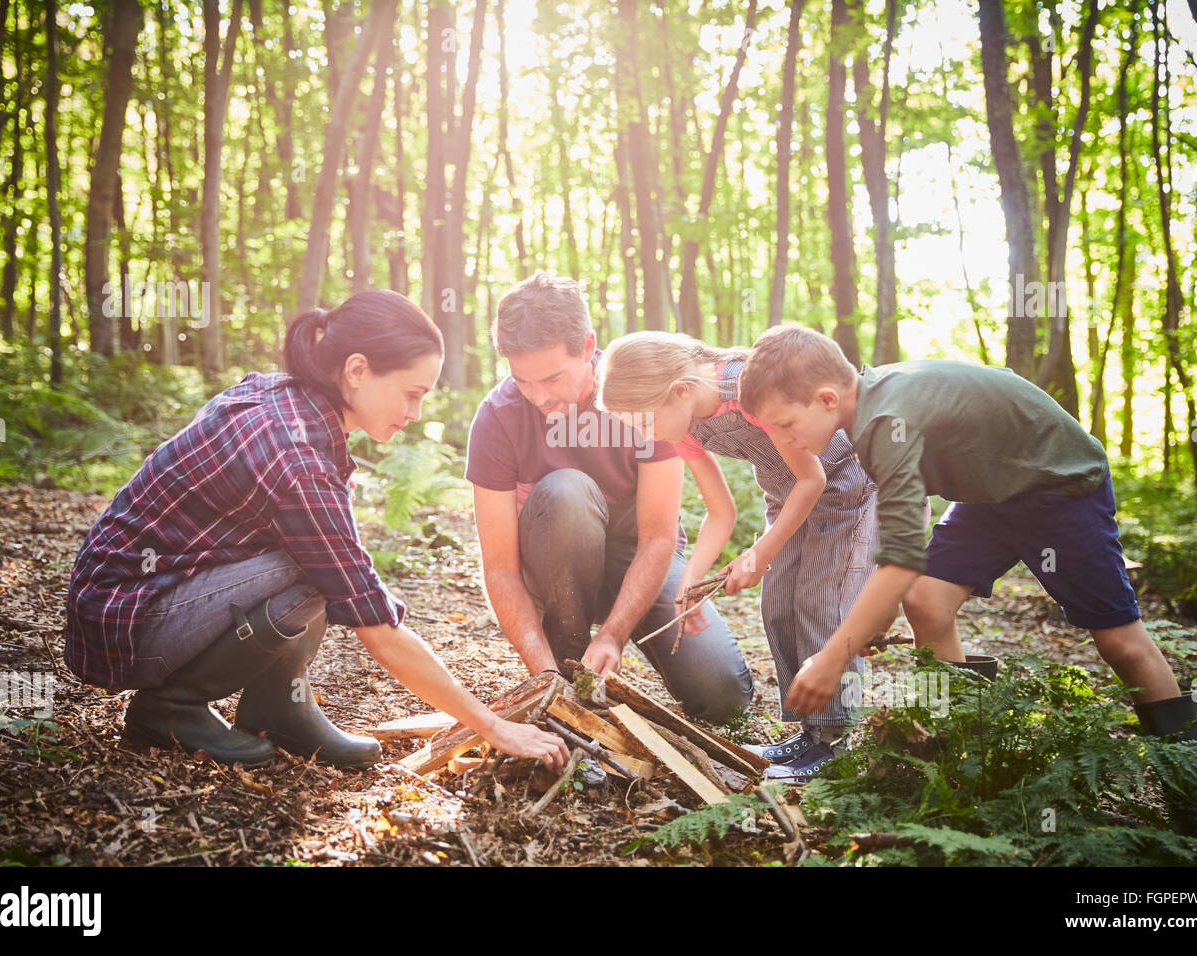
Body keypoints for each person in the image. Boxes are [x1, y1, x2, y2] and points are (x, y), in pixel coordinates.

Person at [737, 324, 1197, 835]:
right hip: (992, 498)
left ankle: (1192, 806)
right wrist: (871, 618)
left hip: (1060, 488)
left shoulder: (885, 418)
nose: (782, 439)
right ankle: (961, 764)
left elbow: (899, 558)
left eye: (785, 424)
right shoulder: (868, 407)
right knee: (925, 602)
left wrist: (834, 656)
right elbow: (906, 540)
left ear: (825, 398)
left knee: (1121, 641)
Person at [64, 290, 568, 772]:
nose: (415, 415)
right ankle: (171, 707)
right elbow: (377, 627)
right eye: (411, 394)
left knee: (321, 557)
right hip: (129, 616)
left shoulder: (290, 403)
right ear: (356, 370)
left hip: (154, 593)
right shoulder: (294, 452)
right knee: (319, 568)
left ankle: (280, 708)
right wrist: (494, 727)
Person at [466, 273, 753, 724]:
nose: (539, 396)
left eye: (552, 377)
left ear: (587, 347)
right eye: (523, 380)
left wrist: (614, 636)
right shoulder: (496, 418)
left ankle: (604, 646)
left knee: (722, 697)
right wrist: (541, 670)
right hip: (552, 567)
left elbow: (658, 538)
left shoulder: (643, 392)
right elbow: (499, 567)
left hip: (638, 555)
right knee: (567, 491)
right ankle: (565, 664)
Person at [596, 331, 877, 779]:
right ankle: (809, 733)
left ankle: (834, 744)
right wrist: (691, 581)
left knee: (821, 603)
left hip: (847, 490)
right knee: (779, 604)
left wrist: (759, 555)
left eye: (645, 423)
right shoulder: (685, 425)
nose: (644, 435)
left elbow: (814, 479)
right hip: (787, 499)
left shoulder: (749, 391)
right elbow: (720, 511)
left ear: (679, 391)